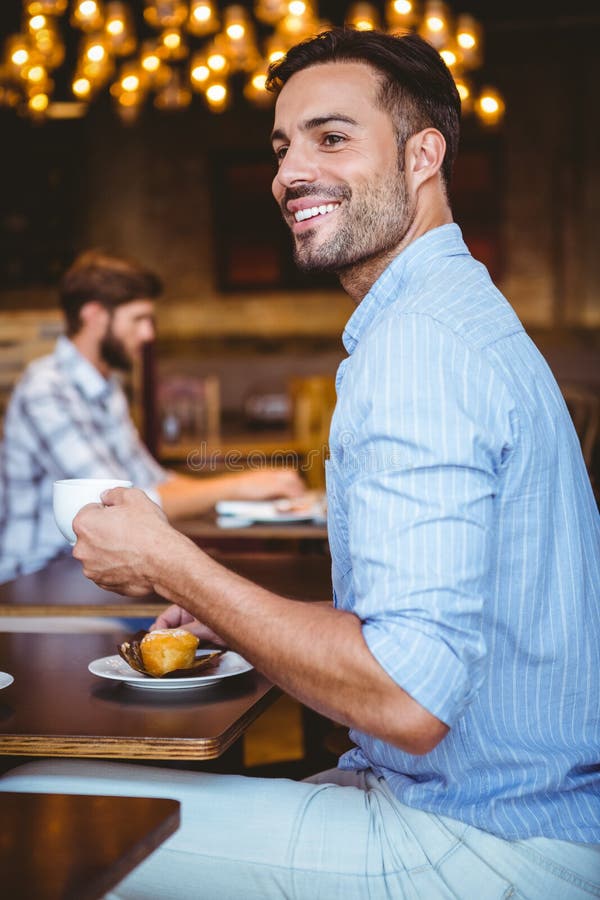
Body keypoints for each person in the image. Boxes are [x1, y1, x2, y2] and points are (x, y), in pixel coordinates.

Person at [2, 28, 598, 899]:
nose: (288, 172)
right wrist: (236, 614)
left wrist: (181, 569)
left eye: (332, 137)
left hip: (476, 843)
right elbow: (427, 633)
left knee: (31, 808)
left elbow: (405, 700)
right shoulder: (458, 312)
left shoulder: (418, 349)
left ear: (423, 154)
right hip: (515, 811)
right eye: (283, 147)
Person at [0, 250, 303, 583]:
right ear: (94, 315)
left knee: (232, 587)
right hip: (36, 579)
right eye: (138, 319)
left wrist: (252, 488)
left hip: (90, 569)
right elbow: (115, 504)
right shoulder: (46, 390)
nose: (148, 335)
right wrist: (243, 486)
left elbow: (153, 481)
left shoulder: (105, 386)